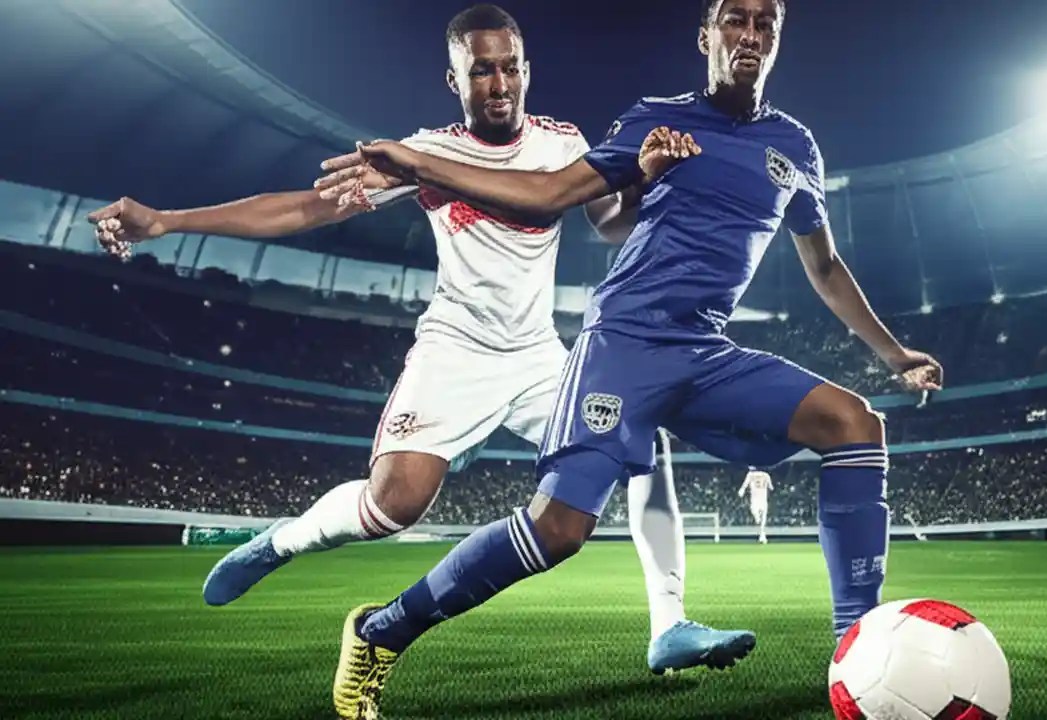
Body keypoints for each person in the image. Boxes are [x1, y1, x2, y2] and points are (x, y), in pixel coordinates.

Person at [313, 0, 942, 716]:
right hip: (624, 345)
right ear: (706, 36)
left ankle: (856, 649)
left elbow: (825, 267)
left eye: (766, 22)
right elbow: (551, 194)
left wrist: (894, 355)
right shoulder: (656, 120)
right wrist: (420, 160)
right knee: (557, 532)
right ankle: (379, 632)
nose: (751, 34)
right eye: (735, 19)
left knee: (856, 423)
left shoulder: (795, 148)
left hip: (705, 352)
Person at [86, 2, 751, 675]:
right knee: (394, 505)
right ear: (454, 79)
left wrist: (648, 179)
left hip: (536, 357)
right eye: (482, 71)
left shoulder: (560, 143)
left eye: (510, 68)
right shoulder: (424, 154)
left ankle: (668, 626)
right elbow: (302, 209)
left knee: (641, 436)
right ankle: (280, 543)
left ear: (527, 70)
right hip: (454, 354)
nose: (499, 85)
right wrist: (167, 220)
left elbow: (611, 222)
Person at [739, 467, 773, 543]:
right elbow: (771, 487)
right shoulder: (766, 475)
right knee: (763, 517)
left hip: (755, 498)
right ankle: (762, 534)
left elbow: (745, 484)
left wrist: (742, 490)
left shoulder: (750, 475)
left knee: (754, 511)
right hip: (763, 498)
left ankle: (762, 535)